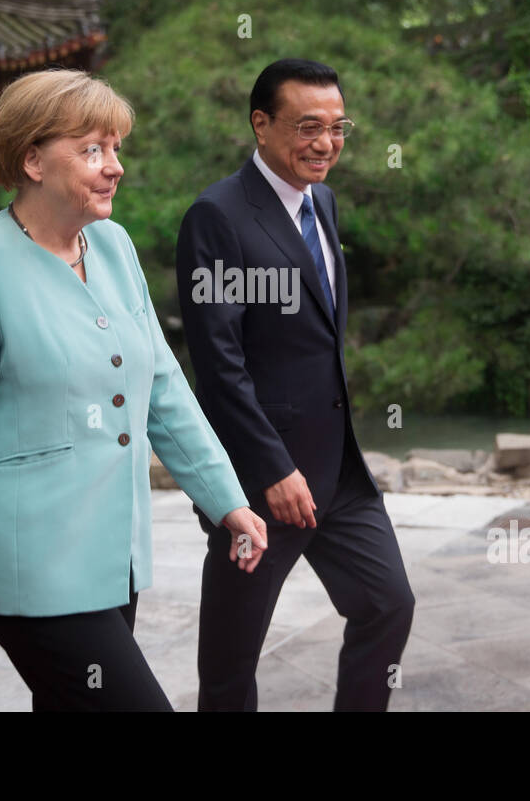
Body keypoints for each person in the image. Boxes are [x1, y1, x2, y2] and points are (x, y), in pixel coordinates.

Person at [0, 68, 267, 711]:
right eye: (92, 150)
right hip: (31, 567)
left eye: (117, 148)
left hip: (114, 557)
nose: (114, 167)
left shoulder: (113, 244)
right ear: (31, 160)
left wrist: (227, 500)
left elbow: (163, 387)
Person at [176, 58, 414, 711]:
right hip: (258, 486)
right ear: (261, 123)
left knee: (388, 605)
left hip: (339, 474)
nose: (326, 142)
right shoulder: (216, 216)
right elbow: (218, 362)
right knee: (230, 663)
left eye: (338, 128)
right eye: (308, 126)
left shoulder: (324, 202)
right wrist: (272, 467)